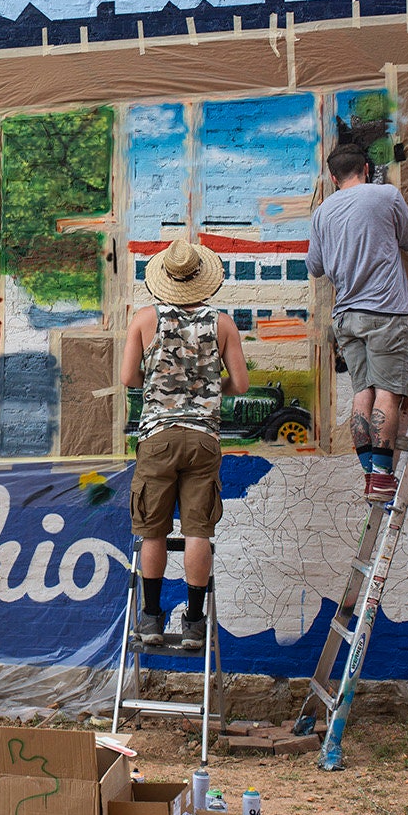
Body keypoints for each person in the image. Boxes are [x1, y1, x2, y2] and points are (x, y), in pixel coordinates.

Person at [121, 238, 249, 649]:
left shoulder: (144, 319)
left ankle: (151, 619)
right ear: (201, 279)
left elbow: (127, 379)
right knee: (197, 530)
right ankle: (194, 623)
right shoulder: (223, 324)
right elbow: (242, 385)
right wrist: (210, 389)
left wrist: (158, 387)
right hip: (203, 440)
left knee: (153, 531)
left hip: (157, 437)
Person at [306, 143, 408, 503]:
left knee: (363, 393)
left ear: (332, 177)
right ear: (366, 167)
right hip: (385, 312)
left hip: (346, 317)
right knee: (388, 392)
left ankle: (371, 478)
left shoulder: (322, 212)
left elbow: (315, 267)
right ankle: (382, 478)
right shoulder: (386, 196)